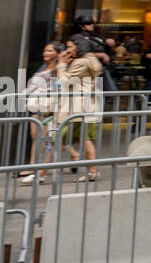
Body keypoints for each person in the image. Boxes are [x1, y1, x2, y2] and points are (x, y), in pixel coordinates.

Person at [56, 37, 103, 182]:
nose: (67, 50)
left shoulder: (81, 62)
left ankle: (41, 174)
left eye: (70, 46)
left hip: (77, 107)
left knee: (58, 138)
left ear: (79, 46)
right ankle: (92, 170)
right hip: (84, 105)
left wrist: (61, 65)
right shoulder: (89, 60)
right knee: (85, 138)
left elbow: (63, 81)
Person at [19, 43, 59, 184]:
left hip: (45, 107)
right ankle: (75, 156)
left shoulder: (56, 70)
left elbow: (55, 89)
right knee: (36, 136)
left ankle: (34, 168)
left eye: (49, 50)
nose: (45, 52)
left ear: (57, 53)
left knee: (40, 138)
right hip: (35, 105)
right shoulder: (44, 66)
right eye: (44, 49)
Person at [70, 16, 117, 92]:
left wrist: (109, 42)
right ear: (82, 26)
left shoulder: (96, 37)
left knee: (107, 93)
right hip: (87, 70)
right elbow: (81, 53)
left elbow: (104, 45)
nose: (92, 25)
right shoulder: (77, 37)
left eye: (92, 23)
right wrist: (101, 55)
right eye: (88, 24)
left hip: (100, 69)